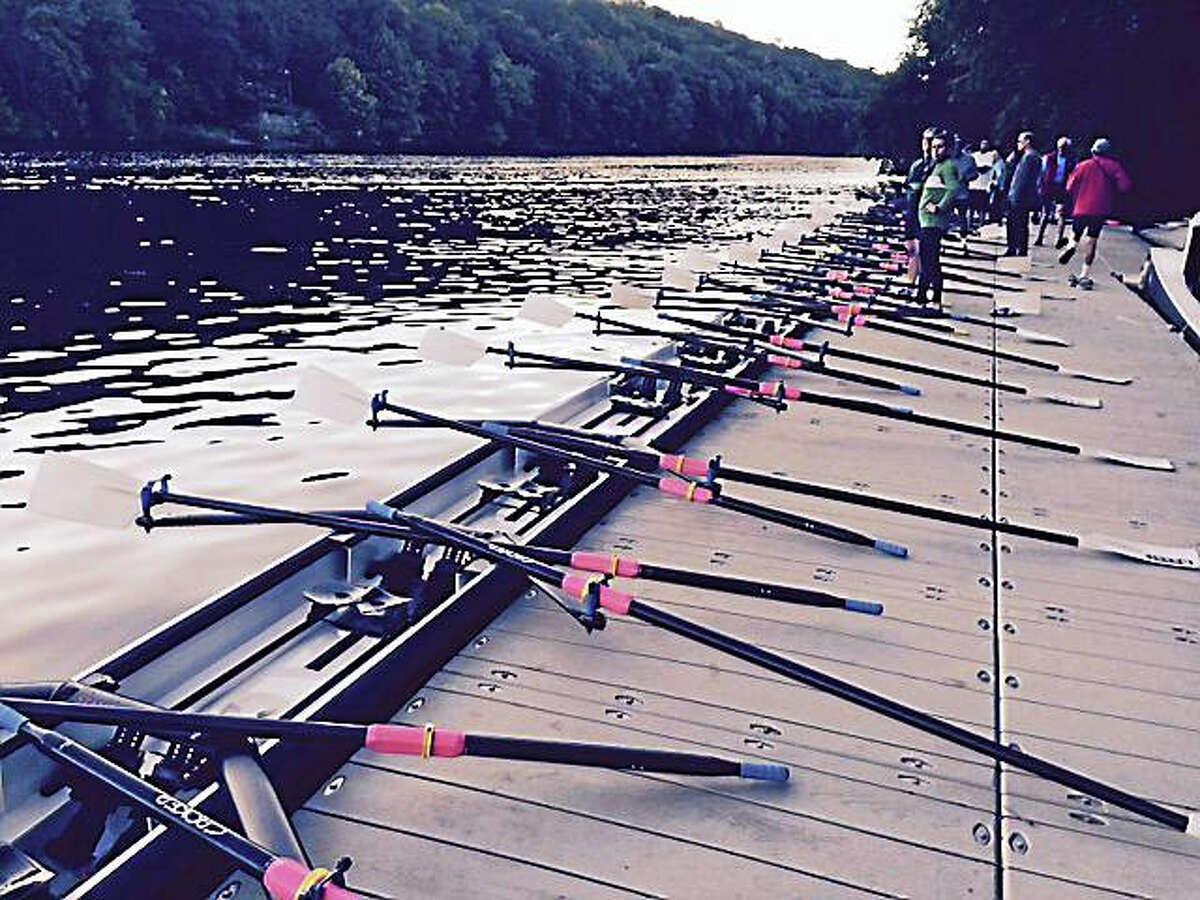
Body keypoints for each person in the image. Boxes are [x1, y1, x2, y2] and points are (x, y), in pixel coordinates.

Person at [1059, 137, 1132, 289]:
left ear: (1093, 151)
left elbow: (1069, 186)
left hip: (1081, 207)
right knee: (1092, 241)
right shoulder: (1114, 166)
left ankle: (1071, 246)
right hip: (1100, 210)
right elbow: (1125, 186)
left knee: (1075, 233)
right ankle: (1084, 274)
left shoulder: (1083, 165)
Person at [916, 130, 960, 308]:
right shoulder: (936, 166)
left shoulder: (947, 166)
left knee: (930, 260)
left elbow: (953, 189)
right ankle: (924, 295)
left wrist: (939, 207)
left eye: (940, 147)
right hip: (926, 221)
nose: (936, 150)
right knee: (927, 259)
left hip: (934, 222)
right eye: (934, 147)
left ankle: (932, 296)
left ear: (948, 148)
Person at [901, 127, 936, 284]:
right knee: (911, 247)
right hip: (912, 209)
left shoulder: (940, 166)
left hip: (927, 213)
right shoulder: (917, 165)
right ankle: (913, 279)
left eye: (930, 140)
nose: (927, 144)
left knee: (923, 249)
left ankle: (918, 281)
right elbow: (909, 186)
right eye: (925, 140)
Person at [1035, 136, 1077, 247]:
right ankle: (1040, 237)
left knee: (1061, 213)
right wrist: (1039, 186)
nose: (1062, 150)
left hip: (1062, 187)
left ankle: (1059, 238)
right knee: (1045, 213)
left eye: (1065, 148)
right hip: (1048, 186)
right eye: (1060, 147)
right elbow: (1042, 173)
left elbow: (1073, 175)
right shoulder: (1049, 158)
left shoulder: (1071, 161)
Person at [1005, 131, 1041, 256]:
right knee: (1020, 224)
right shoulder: (1027, 156)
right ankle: (1019, 249)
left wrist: (1013, 196)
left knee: (1015, 223)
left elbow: (1023, 179)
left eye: (1020, 141)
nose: (1018, 144)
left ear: (1027, 142)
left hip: (1019, 197)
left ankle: (1015, 249)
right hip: (1020, 196)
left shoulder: (1030, 157)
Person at [949, 134, 979, 233]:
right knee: (945, 216)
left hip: (962, 193)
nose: (956, 147)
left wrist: (966, 177)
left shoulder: (969, 159)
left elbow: (975, 174)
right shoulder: (946, 158)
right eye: (954, 144)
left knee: (962, 215)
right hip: (947, 192)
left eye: (958, 144)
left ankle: (963, 236)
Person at [970, 138, 1001, 228]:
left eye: (986, 144)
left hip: (984, 186)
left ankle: (981, 224)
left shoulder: (991, 155)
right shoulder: (974, 155)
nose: (984, 145)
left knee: (982, 207)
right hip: (973, 185)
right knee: (971, 207)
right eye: (982, 143)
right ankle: (970, 225)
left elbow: (988, 168)